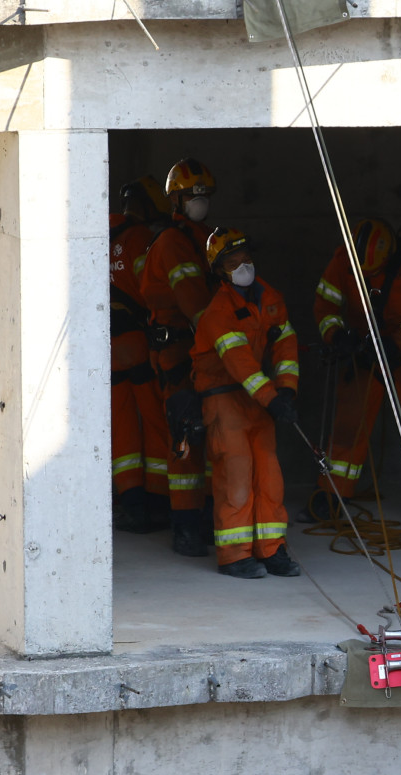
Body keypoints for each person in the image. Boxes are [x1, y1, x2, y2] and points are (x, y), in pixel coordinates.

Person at [308, 218, 401, 529]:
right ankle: (332, 495)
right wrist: (337, 336)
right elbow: (325, 306)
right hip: (363, 353)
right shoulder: (343, 260)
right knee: (348, 427)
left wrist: (397, 342)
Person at [187, 227, 303, 580]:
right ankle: (234, 555)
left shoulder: (269, 297)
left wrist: (287, 389)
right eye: (233, 262)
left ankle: (272, 549)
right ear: (220, 270)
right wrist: (273, 398)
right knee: (235, 475)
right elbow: (240, 363)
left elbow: (286, 342)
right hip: (224, 401)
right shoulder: (218, 312)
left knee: (269, 475)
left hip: (257, 398)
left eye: (246, 259)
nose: (242, 266)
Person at [139, 159, 218, 556]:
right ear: (176, 200)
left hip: (200, 349)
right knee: (186, 437)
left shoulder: (201, 236)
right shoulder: (174, 242)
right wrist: (230, 340)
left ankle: (202, 519)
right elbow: (196, 303)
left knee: (208, 437)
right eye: (192, 196)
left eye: (203, 196)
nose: (199, 202)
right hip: (179, 352)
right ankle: (186, 527)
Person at [108, 178, 173, 532]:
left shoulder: (96, 232)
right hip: (138, 342)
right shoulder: (140, 240)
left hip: (106, 344)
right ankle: (160, 500)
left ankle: (130, 502)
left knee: (121, 425)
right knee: (154, 418)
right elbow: (151, 292)